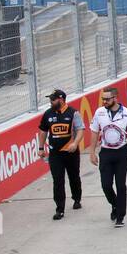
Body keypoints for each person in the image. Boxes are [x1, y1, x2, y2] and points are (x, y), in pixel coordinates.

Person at [88, 86, 127, 228]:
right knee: (106, 185)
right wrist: (92, 152)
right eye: (103, 99)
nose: (104, 101)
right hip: (105, 152)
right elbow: (94, 132)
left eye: (107, 99)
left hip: (122, 152)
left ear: (115, 98)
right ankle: (115, 205)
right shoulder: (99, 113)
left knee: (120, 184)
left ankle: (120, 216)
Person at [38, 88, 85, 220]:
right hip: (55, 154)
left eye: (53, 99)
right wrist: (41, 148)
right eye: (50, 99)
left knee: (74, 177)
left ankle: (77, 199)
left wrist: (75, 143)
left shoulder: (73, 113)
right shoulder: (48, 114)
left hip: (71, 153)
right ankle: (60, 209)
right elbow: (43, 131)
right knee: (58, 180)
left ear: (61, 99)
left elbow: (80, 129)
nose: (51, 101)